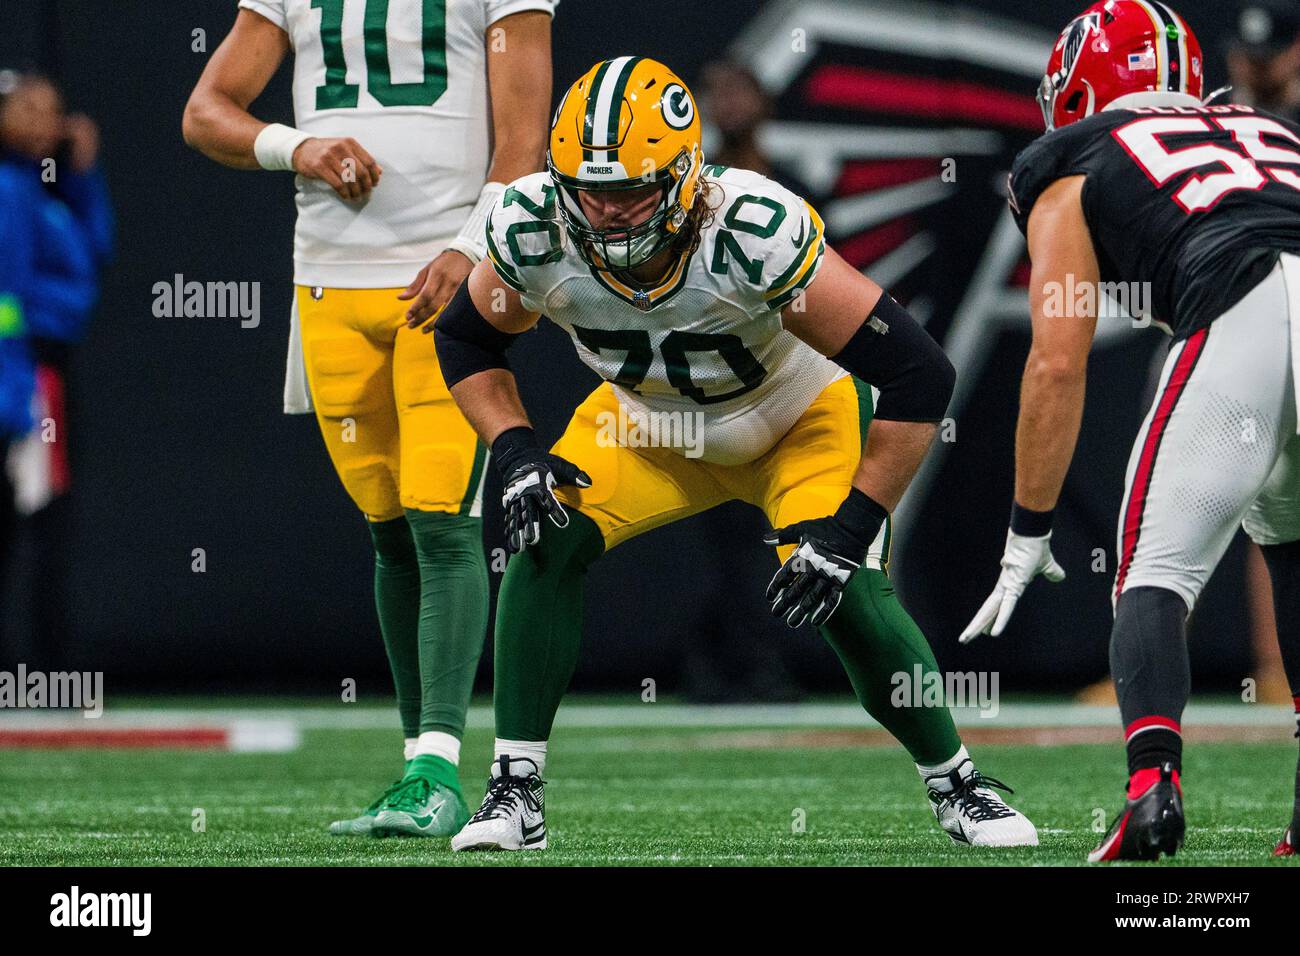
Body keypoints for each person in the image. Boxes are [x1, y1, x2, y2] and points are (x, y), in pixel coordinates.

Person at [434, 57, 1038, 852]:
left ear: (686, 176)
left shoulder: (750, 229)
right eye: (591, 189)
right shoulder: (532, 227)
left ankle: (957, 784)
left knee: (841, 584)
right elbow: (466, 336)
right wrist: (513, 449)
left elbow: (919, 374)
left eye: (632, 190)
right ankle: (515, 792)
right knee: (539, 529)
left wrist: (853, 527)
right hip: (646, 425)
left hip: (796, 418)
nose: (608, 212)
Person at [182, 0, 556, 838]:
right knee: (389, 530)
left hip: (442, 277)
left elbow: (524, 140)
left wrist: (470, 246)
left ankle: (436, 769)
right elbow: (205, 112)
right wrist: (297, 146)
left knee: (447, 525)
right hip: (327, 283)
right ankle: (417, 768)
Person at [961, 1, 1300, 861]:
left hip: (1242, 303)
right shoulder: (1268, 125)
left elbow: (1058, 360)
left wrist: (1026, 530)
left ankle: (1152, 787)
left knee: (1154, 573)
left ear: (1083, 90)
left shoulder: (1070, 155)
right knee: (1293, 537)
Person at [0, 69, 109, 663]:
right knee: (24, 516)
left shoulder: (40, 188)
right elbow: (7, 300)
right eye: (33, 108)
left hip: (42, 371)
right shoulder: (9, 190)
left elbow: (96, 252)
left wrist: (82, 176)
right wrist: (13, 388)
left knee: (39, 513)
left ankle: (38, 669)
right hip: (21, 372)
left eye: (55, 107)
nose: (53, 122)